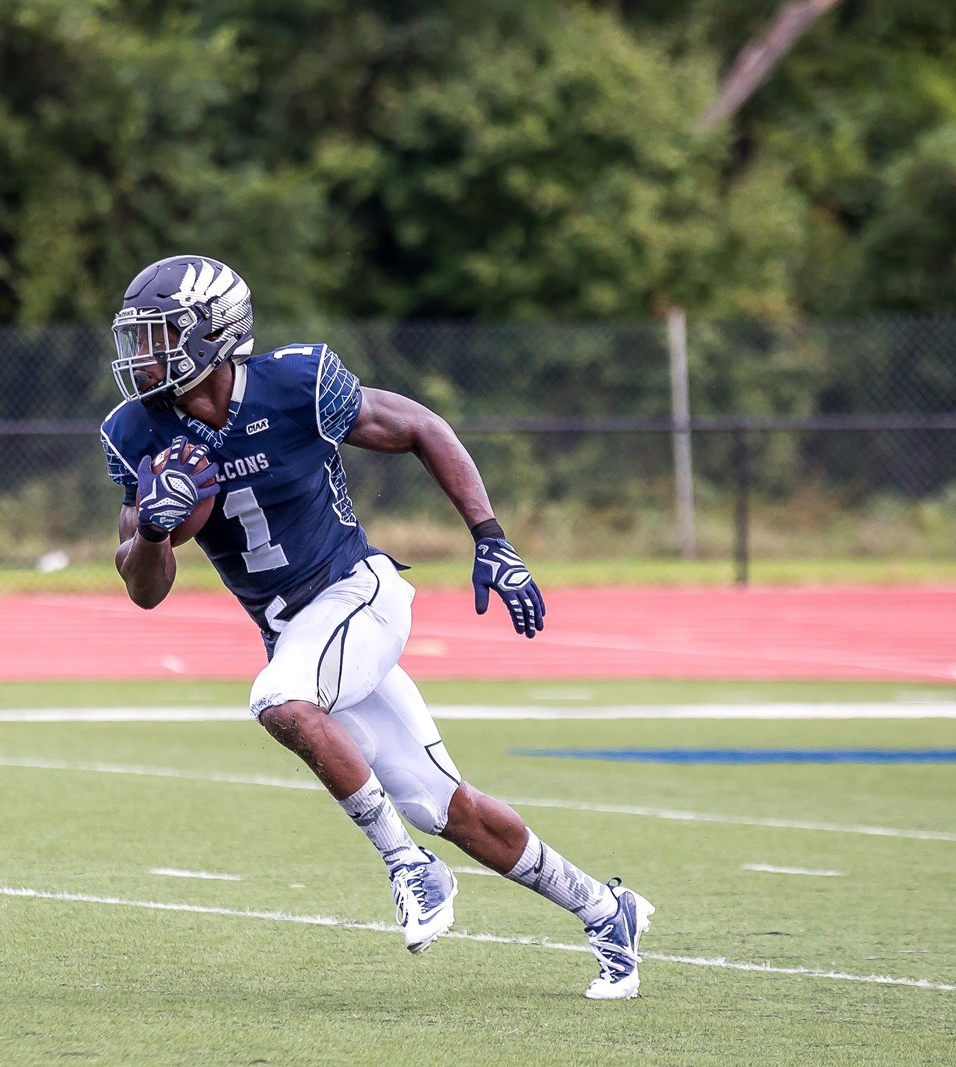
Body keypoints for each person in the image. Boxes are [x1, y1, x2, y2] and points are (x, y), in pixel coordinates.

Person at [98, 254, 653, 999]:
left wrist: (489, 534)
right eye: (141, 338)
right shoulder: (135, 430)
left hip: (359, 594)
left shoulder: (296, 382)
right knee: (446, 806)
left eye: (163, 335)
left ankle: (408, 866)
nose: (145, 356)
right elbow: (144, 590)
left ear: (217, 333)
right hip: (302, 636)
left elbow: (419, 424)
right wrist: (157, 532)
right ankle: (605, 907)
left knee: (279, 701)